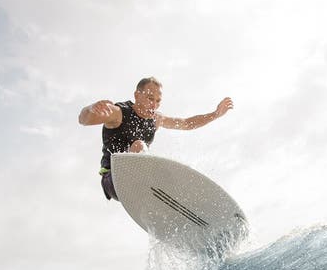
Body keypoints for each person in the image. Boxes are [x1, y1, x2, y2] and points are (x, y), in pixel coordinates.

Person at [78, 76, 234, 201]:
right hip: (113, 178)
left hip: (141, 181)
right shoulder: (119, 113)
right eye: (150, 98)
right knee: (139, 146)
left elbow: (186, 123)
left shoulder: (156, 119)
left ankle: (171, 200)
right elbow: (83, 120)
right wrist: (91, 108)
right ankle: (154, 189)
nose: (153, 105)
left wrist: (215, 114)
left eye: (158, 101)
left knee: (169, 169)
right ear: (137, 95)